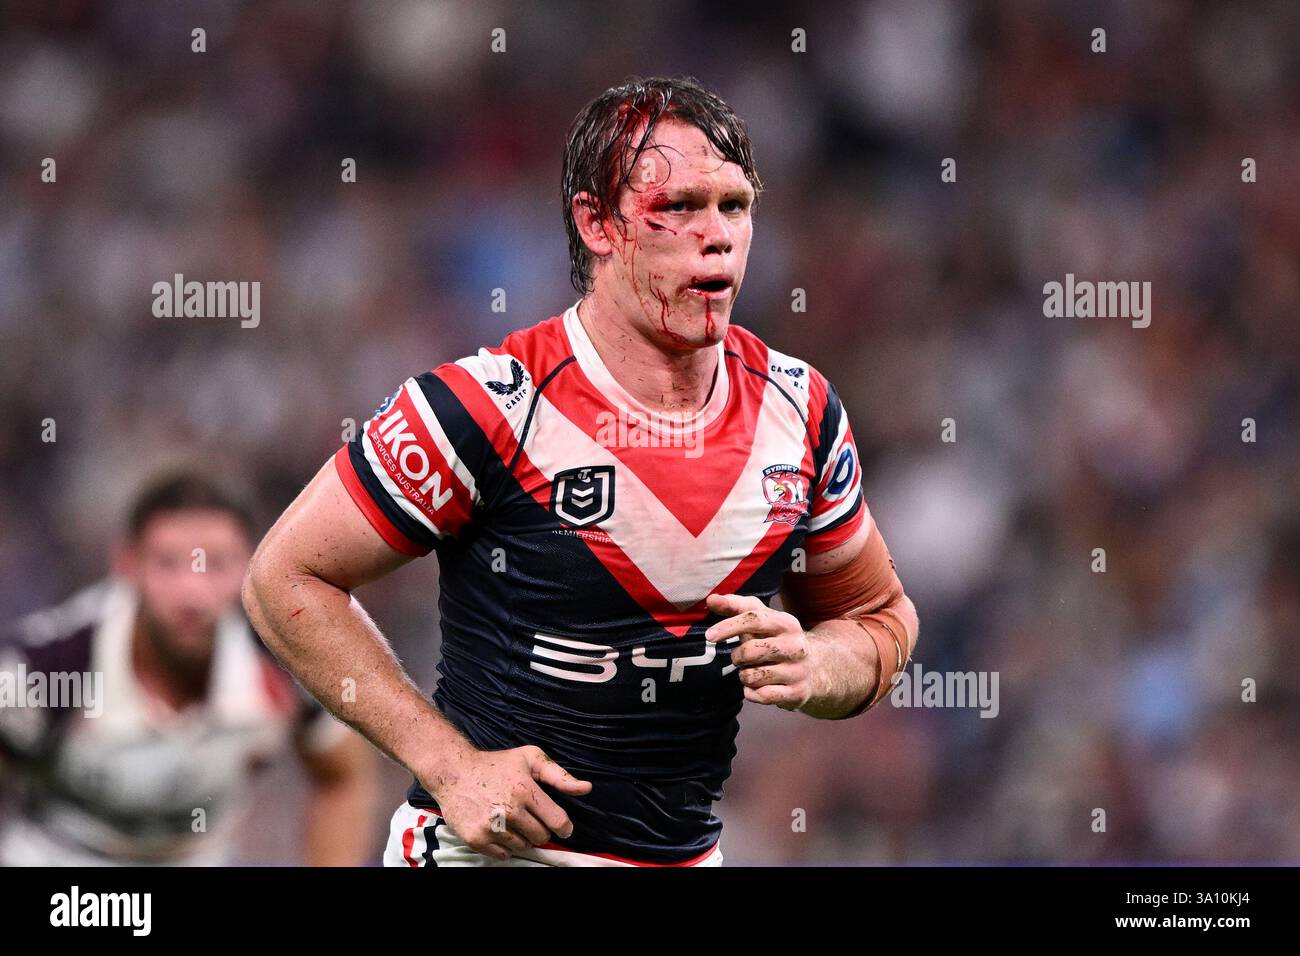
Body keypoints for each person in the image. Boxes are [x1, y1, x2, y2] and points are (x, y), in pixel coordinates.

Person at [242, 76, 919, 867]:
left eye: (734, 206)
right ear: (595, 223)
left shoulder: (800, 413)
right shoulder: (489, 405)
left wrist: (820, 664)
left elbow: (879, 621)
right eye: (679, 207)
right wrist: (447, 763)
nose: (718, 235)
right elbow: (283, 578)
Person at [0, 471, 378, 865]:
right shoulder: (47, 670)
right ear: (127, 565)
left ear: (251, 567)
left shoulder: (286, 653)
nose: (192, 593)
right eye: (167, 564)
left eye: (215, 564)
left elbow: (344, 778)